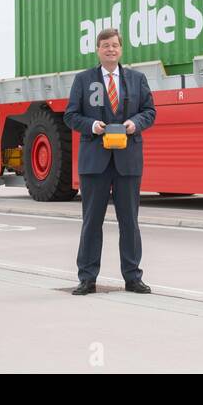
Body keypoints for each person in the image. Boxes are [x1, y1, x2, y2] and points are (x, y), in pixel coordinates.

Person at [63, 28, 157, 296]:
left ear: (121, 49)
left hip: (128, 161)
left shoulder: (137, 80)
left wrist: (134, 123)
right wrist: (92, 125)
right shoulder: (83, 80)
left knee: (130, 222)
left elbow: (150, 112)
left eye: (115, 45)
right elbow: (71, 115)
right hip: (95, 162)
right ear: (97, 50)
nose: (111, 49)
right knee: (92, 222)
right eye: (105, 45)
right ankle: (87, 278)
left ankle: (132, 277)